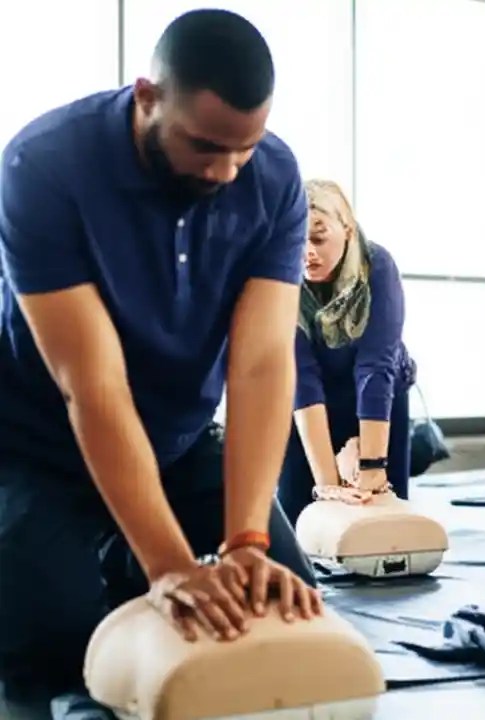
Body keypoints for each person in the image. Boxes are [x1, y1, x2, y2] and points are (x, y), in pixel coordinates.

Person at [0, 9, 322, 710]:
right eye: (206, 146)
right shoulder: (43, 165)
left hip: (174, 439)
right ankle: (120, 561)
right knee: (56, 645)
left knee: (284, 601)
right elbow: (92, 384)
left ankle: (135, 553)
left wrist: (245, 541)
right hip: (35, 445)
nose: (226, 170)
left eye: (244, 149)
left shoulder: (272, 178)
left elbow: (263, 363)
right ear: (147, 95)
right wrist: (171, 566)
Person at [276, 179, 418, 525]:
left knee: (380, 519)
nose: (307, 252)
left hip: (380, 397)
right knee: (304, 515)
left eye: (319, 238)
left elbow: (376, 367)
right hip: (307, 402)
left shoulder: (378, 266)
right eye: (299, 239)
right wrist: (327, 484)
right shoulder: (282, 276)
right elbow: (302, 379)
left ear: (348, 231)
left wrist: (371, 466)